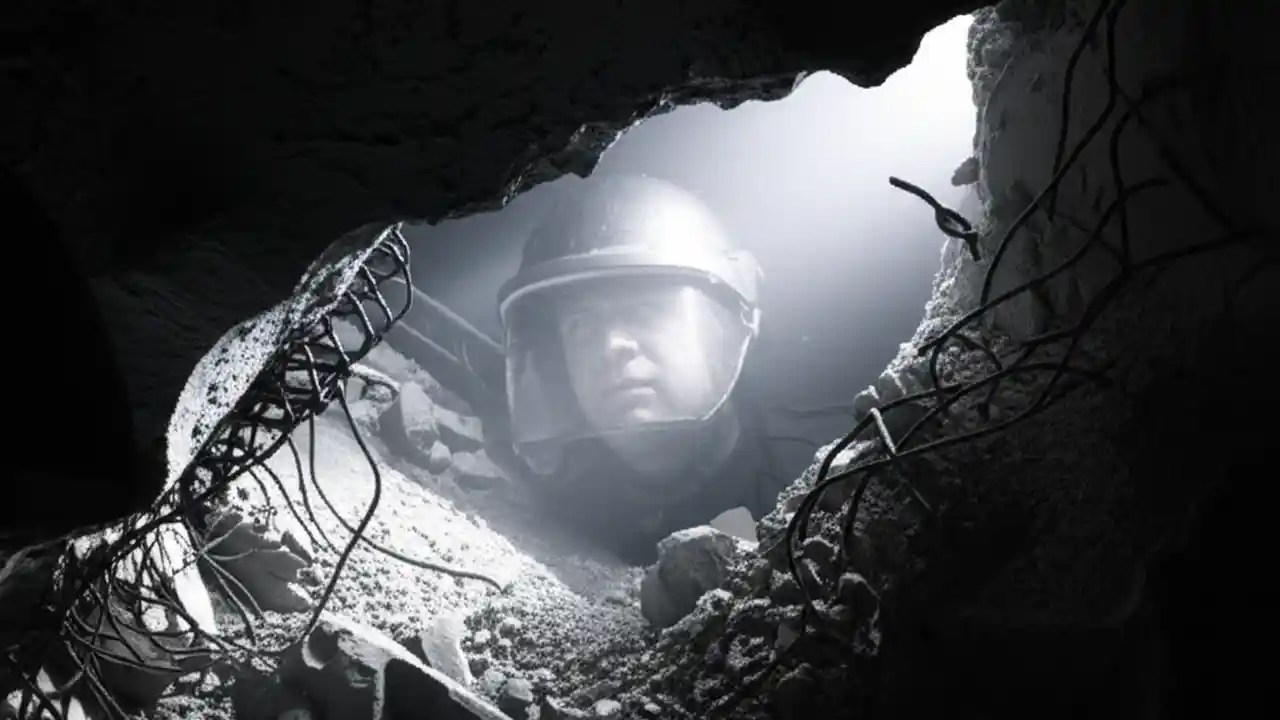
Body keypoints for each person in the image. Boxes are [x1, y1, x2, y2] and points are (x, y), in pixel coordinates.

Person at [496, 174, 781, 563]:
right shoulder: (544, 494)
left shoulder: (810, 476)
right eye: (582, 325)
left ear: (723, 318)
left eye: (644, 311)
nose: (611, 346)